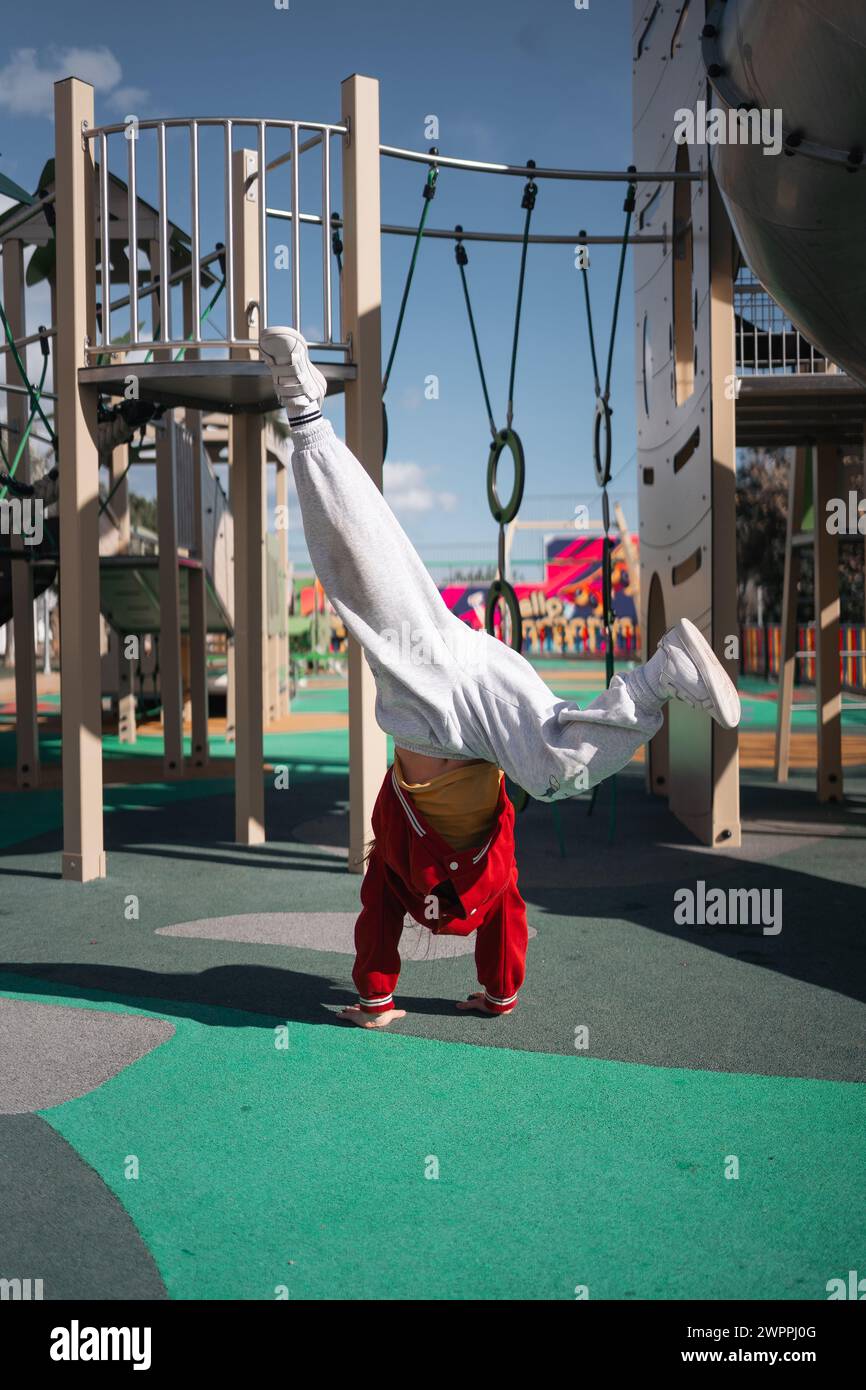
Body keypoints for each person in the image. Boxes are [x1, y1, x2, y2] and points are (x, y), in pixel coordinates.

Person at [260, 328, 740, 1029]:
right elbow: (403, 913)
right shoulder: (419, 862)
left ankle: (306, 415)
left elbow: (478, 916)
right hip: (453, 703)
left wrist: (428, 996)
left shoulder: (458, 870)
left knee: (373, 575)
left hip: (452, 703)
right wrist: (393, 995)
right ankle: (306, 417)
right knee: (372, 581)